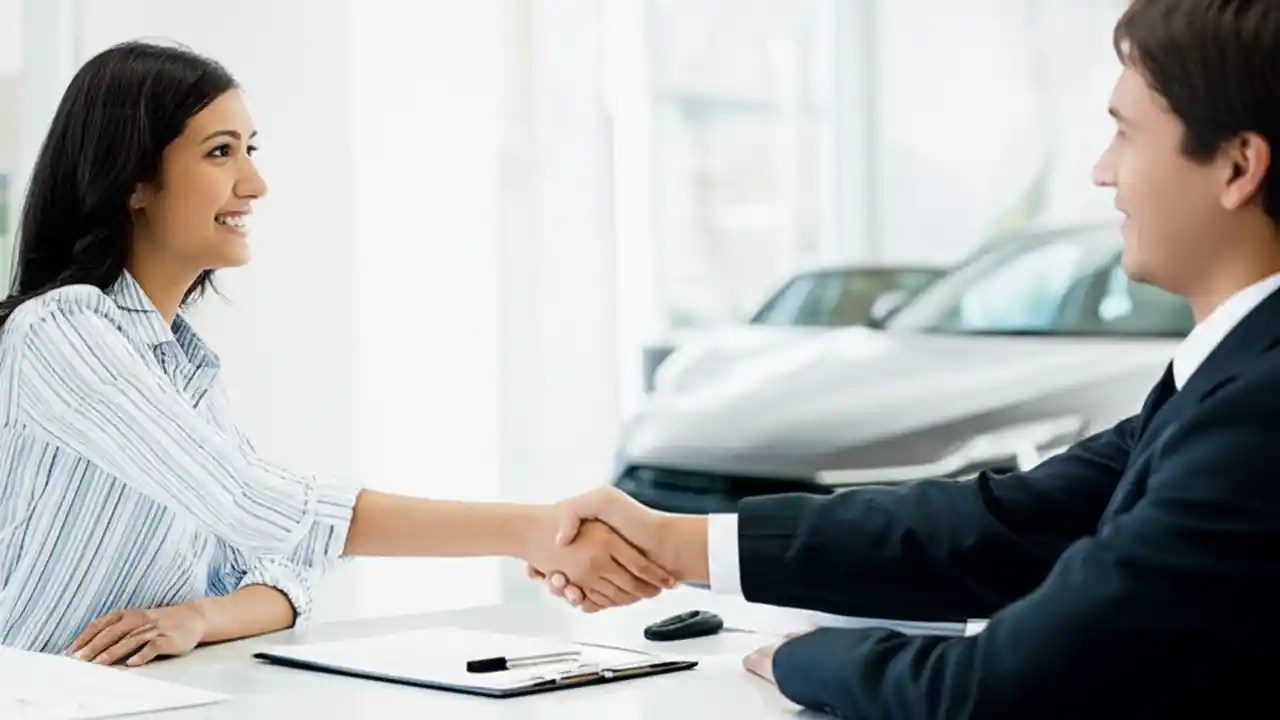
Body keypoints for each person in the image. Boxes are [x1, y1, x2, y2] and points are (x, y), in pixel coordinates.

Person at [536, 1, 1280, 716]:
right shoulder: (1231, 375)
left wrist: (805, 657)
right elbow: (1003, 526)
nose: (1100, 171)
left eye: (1125, 133)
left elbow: (997, 689)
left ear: (1238, 166)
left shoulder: (1258, 411)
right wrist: (672, 538)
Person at [0, 41, 676, 665]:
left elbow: (284, 568)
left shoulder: (183, 369)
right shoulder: (63, 334)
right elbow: (255, 504)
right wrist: (530, 529)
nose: (255, 183)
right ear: (135, 183)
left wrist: (201, 616)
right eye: (220, 152)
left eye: (251, 149)